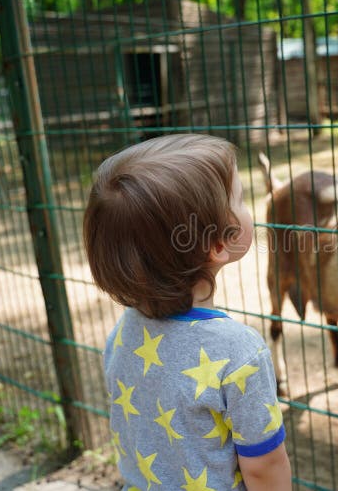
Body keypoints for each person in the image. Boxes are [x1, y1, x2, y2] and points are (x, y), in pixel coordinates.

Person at [83, 134, 292, 491]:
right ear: (217, 244)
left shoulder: (124, 333)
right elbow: (264, 466)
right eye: (240, 200)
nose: (248, 207)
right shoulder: (239, 353)